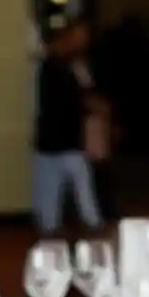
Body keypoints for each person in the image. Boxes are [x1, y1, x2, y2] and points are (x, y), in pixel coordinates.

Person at [32, 18, 104, 236]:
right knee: (80, 186)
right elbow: (78, 97)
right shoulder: (62, 67)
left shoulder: (52, 66)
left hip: (53, 139)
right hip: (65, 138)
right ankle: (90, 225)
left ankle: (52, 228)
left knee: (51, 191)